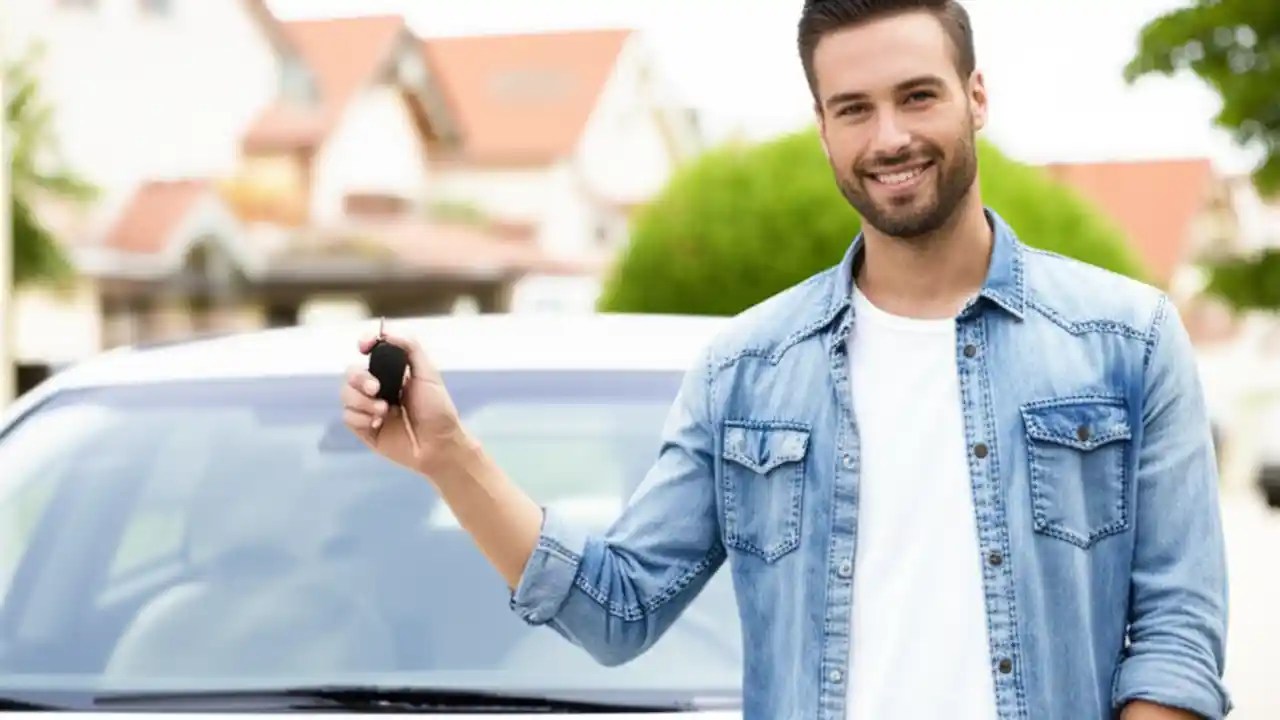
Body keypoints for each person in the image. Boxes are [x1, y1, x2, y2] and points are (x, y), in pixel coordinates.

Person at [339, 1, 1231, 717]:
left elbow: (1178, 637)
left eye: (918, 96)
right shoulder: (747, 370)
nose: (889, 137)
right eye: (855, 108)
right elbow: (618, 609)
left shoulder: (1126, 339)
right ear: (822, 126)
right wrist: (450, 457)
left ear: (977, 96)